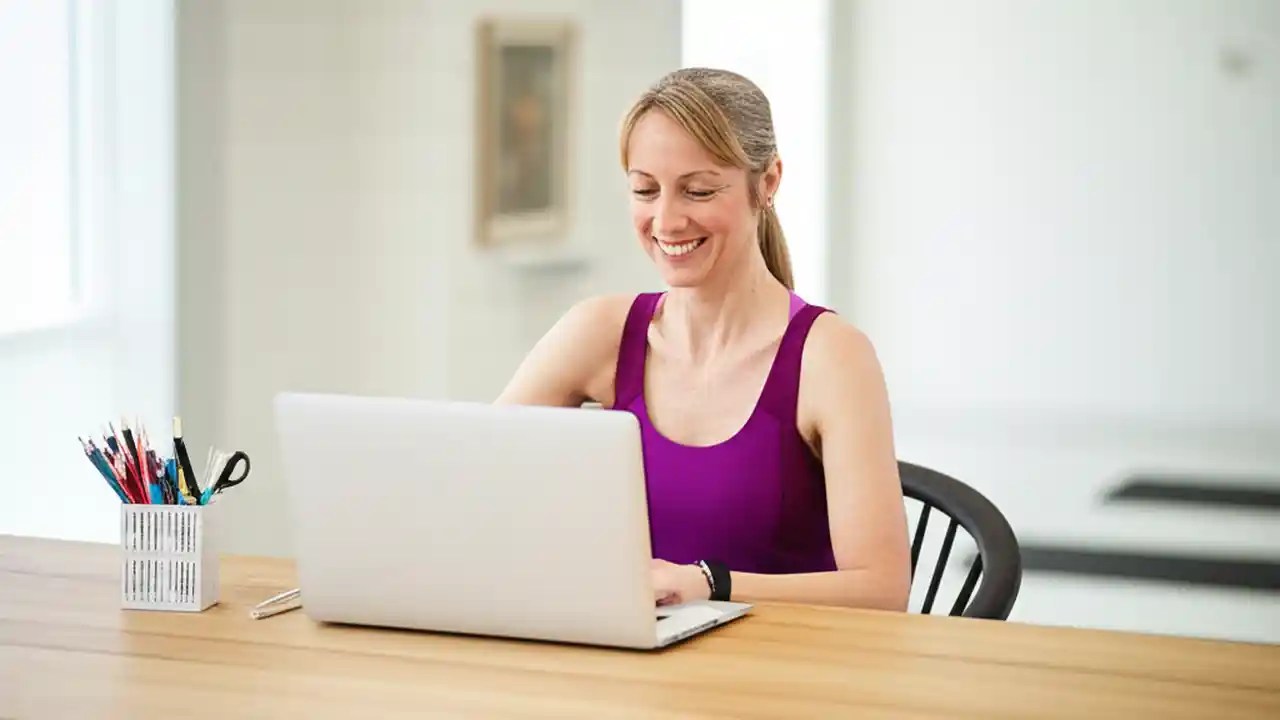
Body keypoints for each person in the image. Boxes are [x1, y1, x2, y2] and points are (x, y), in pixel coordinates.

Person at [497, 68, 911, 611]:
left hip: (783, 678)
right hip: (634, 669)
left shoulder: (831, 357)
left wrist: (710, 583)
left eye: (697, 190)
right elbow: (479, 477)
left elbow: (881, 589)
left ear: (767, 183)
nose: (666, 220)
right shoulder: (599, 332)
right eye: (645, 190)